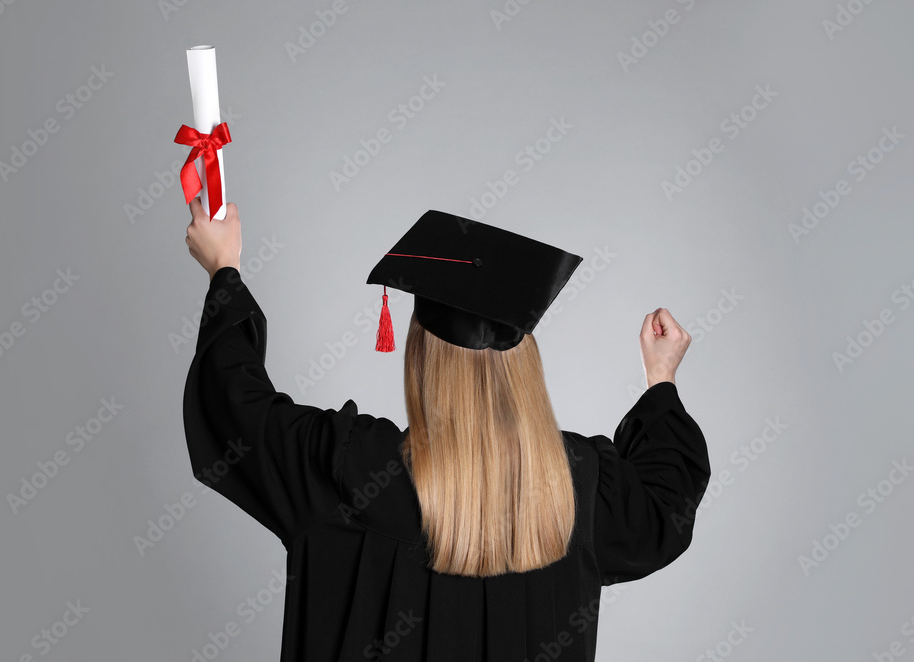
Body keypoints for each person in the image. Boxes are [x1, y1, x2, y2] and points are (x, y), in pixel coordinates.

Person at [182, 199, 711, 661]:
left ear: (420, 358)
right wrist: (659, 379)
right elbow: (666, 502)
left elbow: (234, 409)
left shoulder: (346, 467)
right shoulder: (579, 486)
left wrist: (223, 270)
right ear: (524, 368)